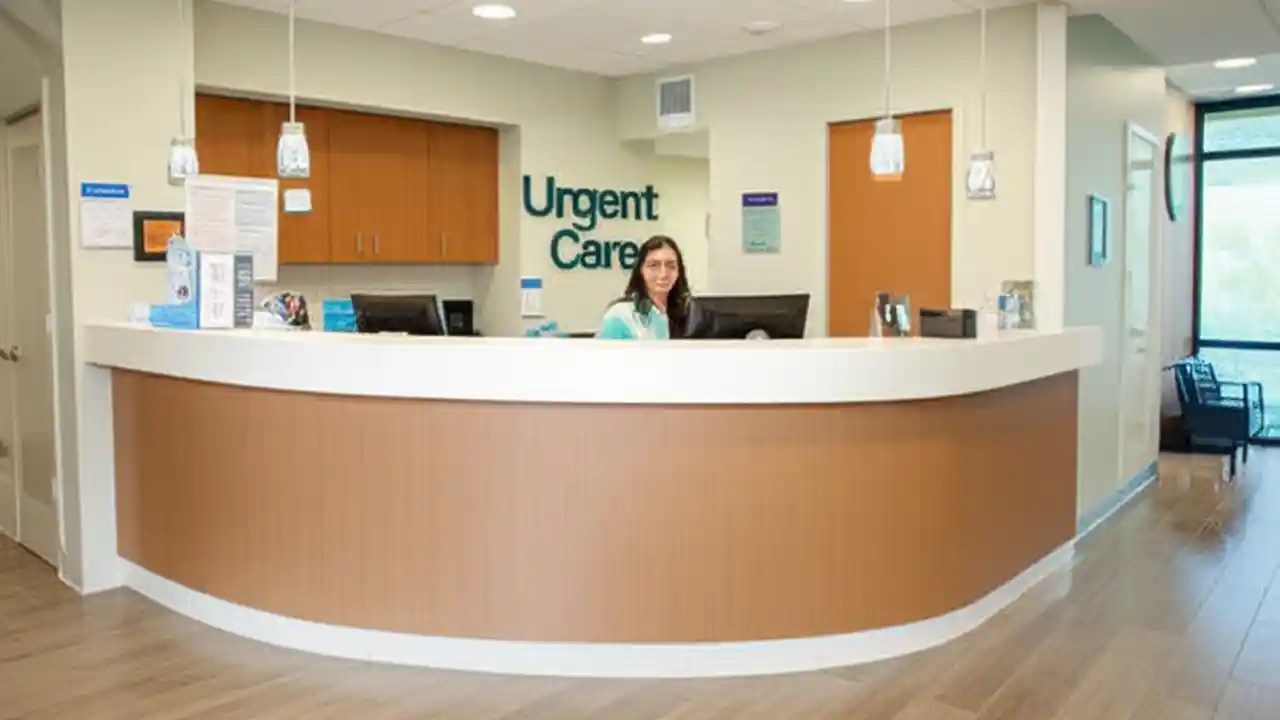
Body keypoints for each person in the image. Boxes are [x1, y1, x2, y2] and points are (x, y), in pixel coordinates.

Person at [595, 235, 693, 340]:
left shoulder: (689, 315)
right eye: (654, 265)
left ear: (679, 272)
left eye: (671, 266)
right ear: (641, 270)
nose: (663, 274)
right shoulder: (620, 315)